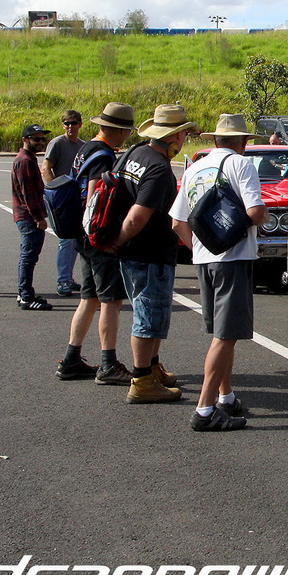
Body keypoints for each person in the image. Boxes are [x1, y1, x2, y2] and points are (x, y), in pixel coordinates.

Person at [169, 114, 268, 432]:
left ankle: (226, 396)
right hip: (234, 259)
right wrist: (263, 216)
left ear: (215, 140)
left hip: (204, 260)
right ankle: (204, 408)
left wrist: (201, 248)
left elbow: (177, 223)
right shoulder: (242, 165)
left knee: (221, 333)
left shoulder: (195, 168)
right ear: (243, 142)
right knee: (226, 336)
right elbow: (255, 213)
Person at [110, 104, 196, 404]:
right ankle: (142, 379)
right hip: (148, 253)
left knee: (153, 314)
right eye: (183, 133)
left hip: (138, 253)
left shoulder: (135, 153)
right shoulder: (159, 169)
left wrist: (117, 244)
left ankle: (152, 367)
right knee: (147, 317)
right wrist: (118, 241)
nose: (185, 138)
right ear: (174, 137)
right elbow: (136, 217)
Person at [55, 103, 138, 382]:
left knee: (88, 298)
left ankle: (71, 358)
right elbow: (95, 196)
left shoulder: (86, 148)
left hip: (81, 233)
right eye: (126, 130)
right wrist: (104, 237)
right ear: (120, 130)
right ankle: (108, 363)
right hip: (96, 235)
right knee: (110, 300)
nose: (127, 136)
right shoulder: (102, 155)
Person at [42, 109, 85, 296]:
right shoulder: (57, 143)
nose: (70, 127)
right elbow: (46, 168)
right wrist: (55, 191)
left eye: (73, 123)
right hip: (63, 198)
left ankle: (68, 277)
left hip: (77, 198)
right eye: (66, 123)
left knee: (75, 239)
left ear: (80, 125)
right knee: (65, 241)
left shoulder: (82, 146)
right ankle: (62, 281)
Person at [11, 124, 53, 311]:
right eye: (36, 139)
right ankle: (25, 296)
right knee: (28, 256)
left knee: (29, 256)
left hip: (27, 216)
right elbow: (28, 195)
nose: (40, 142)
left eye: (42, 139)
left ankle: (25, 293)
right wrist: (39, 218)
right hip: (28, 217)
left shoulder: (28, 159)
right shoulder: (25, 161)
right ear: (25, 140)